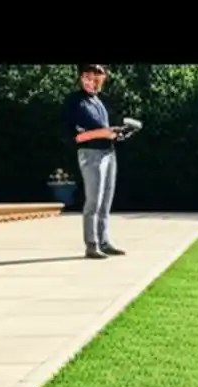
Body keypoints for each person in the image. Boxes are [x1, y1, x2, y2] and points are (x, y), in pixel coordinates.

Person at [63, 64, 125, 259]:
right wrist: (103, 133)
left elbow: (102, 129)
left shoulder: (97, 101)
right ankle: (92, 245)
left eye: (98, 79)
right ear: (83, 77)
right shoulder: (76, 102)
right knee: (94, 202)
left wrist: (116, 133)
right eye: (91, 78)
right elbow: (75, 137)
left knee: (106, 201)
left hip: (108, 153)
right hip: (90, 154)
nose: (95, 83)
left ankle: (104, 242)